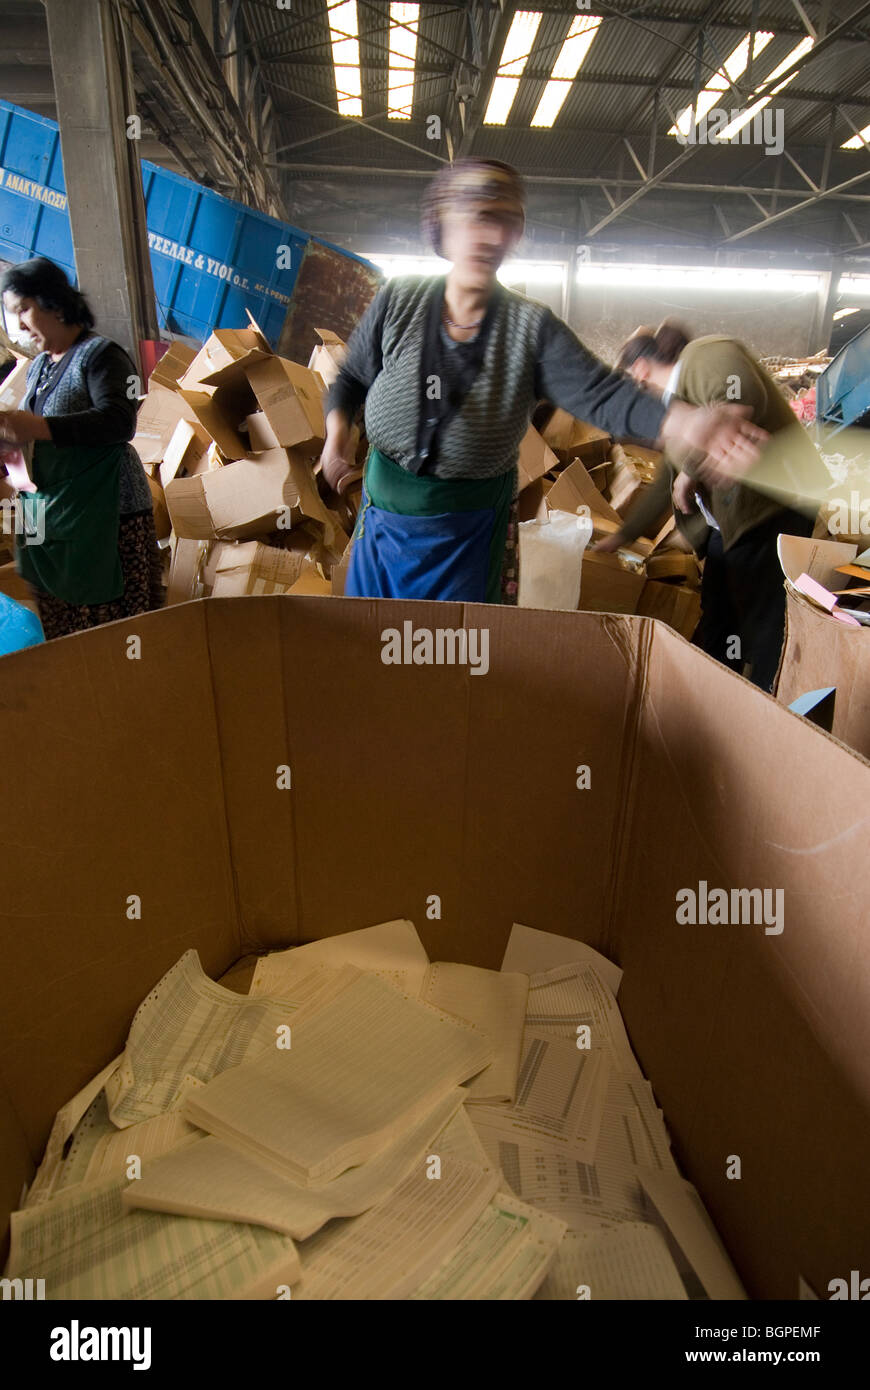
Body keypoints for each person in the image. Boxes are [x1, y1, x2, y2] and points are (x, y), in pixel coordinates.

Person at [321, 159, 768, 604]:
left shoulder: (529, 330)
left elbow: (603, 394)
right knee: (374, 647)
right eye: (480, 217)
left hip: (464, 541)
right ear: (443, 224)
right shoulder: (400, 300)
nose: (494, 236)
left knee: (448, 659)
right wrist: (336, 437)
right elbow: (352, 378)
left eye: (507, 221)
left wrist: (689, 422)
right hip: (381, 524)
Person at [598, 320, 828, 691]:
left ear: (639, 371)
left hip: (774, 509)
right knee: (719, 616)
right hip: (729, 526)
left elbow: (738, 401)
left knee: (764, 618)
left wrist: (691, 470)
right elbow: (664, 484)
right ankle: (719, 692)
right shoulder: (676, 410)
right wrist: (623, 534)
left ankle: (772, 705)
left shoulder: (706, 353)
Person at [0, 257, 163, 640]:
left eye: (24, 309)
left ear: (54, 302)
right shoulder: (40, 367)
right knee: (67, 632)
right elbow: (30, 441)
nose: (19, 325)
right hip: (59, 516)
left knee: (116, 631)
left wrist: (37, 427)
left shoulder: (102, 356)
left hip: (107, 517)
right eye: (12, 314)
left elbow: (119, 422)